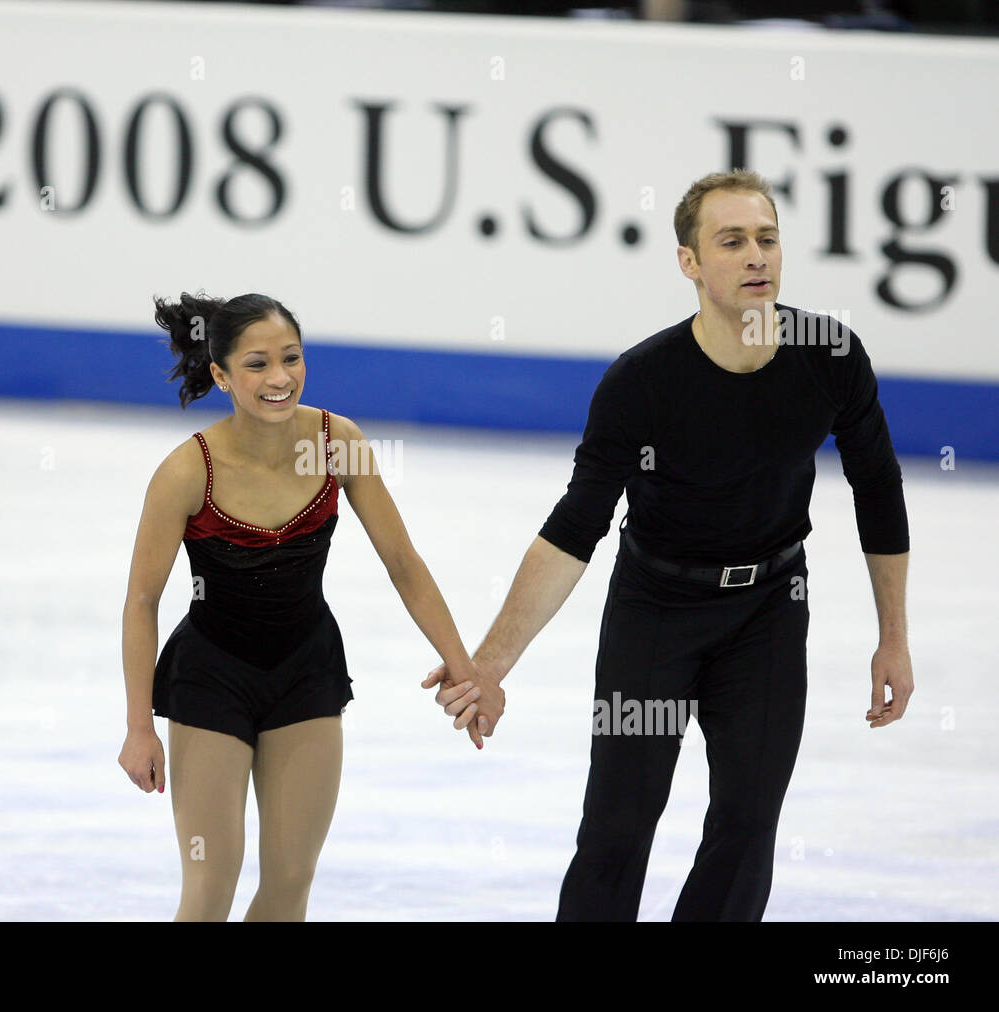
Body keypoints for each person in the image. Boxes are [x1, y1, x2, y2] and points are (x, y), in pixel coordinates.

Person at [425, 168, 915, 921]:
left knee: (749, 824)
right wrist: (489, 666)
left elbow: (877, 490)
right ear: (689, 262)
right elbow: (574, 527)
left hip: (770, 612)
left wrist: (894, 638)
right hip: (655, 609)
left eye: (767, 239)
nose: (757, 257)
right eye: (732, 241)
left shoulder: (830, 355)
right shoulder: (643, 381)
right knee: (619, 825)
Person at [117, 291, 499, 921]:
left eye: (291, 359)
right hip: (210, 677)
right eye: (257, 364)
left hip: (306, 672)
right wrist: (138, 726)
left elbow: (404, 563)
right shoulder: (187, 471)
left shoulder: (336, 443)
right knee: (211, 886)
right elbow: (141, 601)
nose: (280, 378)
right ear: (220, 376)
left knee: (291, 879)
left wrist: (463, 664)